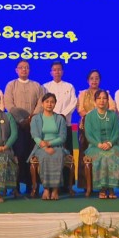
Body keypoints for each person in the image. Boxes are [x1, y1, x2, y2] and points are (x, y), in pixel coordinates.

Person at [3, 60, 45, 192]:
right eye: (21, 68)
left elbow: (40, 103)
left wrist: (31, 118)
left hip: (34, 125)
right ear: (16, 70)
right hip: (16, 126)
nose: (24, 70)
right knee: (18, 154)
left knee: (32, 155)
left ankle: (31, 185)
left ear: (29, 70)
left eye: (26, 68)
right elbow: (9, 104)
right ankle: (15, 185)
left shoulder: (37, 85)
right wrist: (21, 120)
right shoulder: (11, 85)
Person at [42, 61, 78, 191]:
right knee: (52, 155)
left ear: (62, 72)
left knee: (66, 155)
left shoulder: (69, 86)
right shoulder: (45, 87)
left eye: (59, 69)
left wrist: (62, 115)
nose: (57, 72)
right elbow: (44, 105)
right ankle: (51, 185)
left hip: (66, 125)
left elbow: (73, 102)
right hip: (50, 128)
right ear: (51, 72)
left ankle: (68, 185)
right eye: (54, 70)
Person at [83, 90, 119, 199]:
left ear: (107, 100)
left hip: (112, 145)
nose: (102, 100)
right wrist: (99, 144)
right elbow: (89, 134)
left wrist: (110, 143)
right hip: (95, 146)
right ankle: (102, 188)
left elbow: (116, 132)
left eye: (104, 98)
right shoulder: (89, 116)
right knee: (101, 156)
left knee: (113, 155)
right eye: (99, 98)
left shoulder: (113, 116)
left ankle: (111, 188)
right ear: (95, 101)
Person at [29, 93, 67, 200]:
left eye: (52, 102)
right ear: (42, 104)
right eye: (47, 102)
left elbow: (62, 137)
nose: (49, 104)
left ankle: (55, 189)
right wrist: (45, 147)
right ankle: (46, 189)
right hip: (40, 147)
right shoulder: (36, 119)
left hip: (57, 146)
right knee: (45, 157)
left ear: (55, 104)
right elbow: (35, 136)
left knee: (57, 156)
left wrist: (50, 144)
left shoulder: (60, 119)